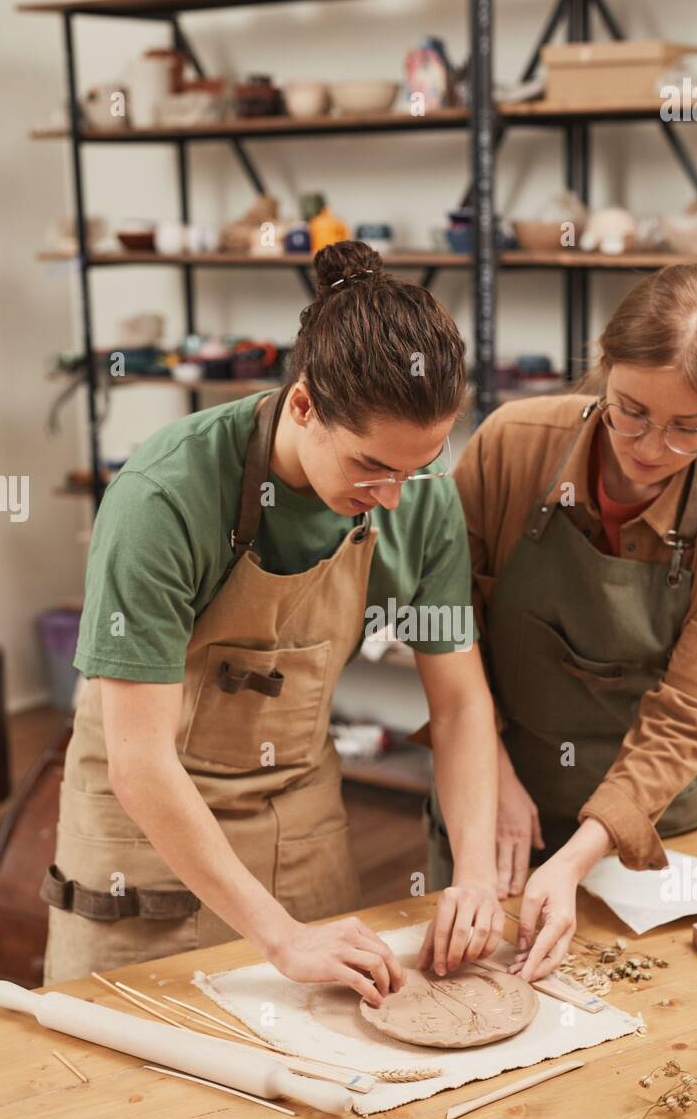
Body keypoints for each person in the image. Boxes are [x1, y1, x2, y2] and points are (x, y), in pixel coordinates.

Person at [42, 242, 502, 999]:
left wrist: (478, 876)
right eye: (368, 467)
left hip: (297, 822)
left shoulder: (423, 501)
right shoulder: (164, 497)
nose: (393, 497)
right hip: (149, 836)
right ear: (302, 406)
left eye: (416, 467)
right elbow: (139, 761)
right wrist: (279, 936)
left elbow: (458, 707)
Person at [427, 263, 697, 980]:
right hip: (492, 795)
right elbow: (443, 618)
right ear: (602, 370)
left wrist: (582, 855)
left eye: (690, 430)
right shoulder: (511, 446)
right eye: (629, 411)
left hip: (643, 829)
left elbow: (684, 720)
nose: (650, 448)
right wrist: (490, 774)